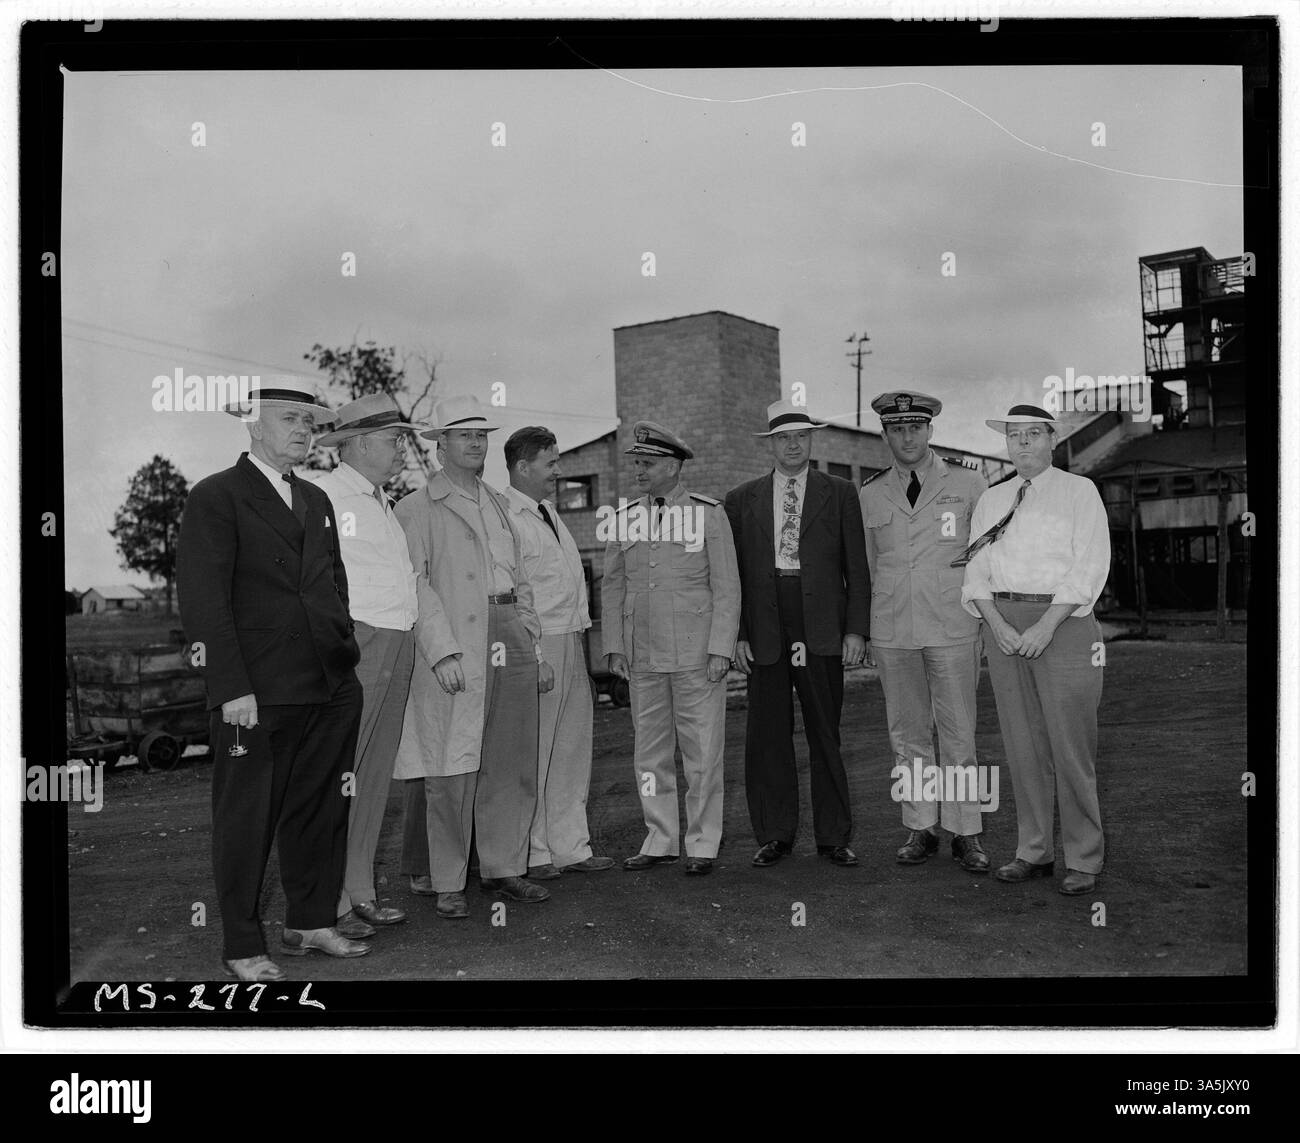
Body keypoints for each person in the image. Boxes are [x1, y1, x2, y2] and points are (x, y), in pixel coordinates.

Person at [176, 375, 366, 982]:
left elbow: (333, 584)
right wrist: (230, 688)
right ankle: (241, 943)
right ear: (253, 425)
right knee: (247, 817)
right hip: (254, 693)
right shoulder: (217, 495)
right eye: (290, 420)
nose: (304, 432)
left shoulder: (316, 499)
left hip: (329, 683)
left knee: (320, 808)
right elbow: (203, 603)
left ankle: (310, 921)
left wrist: (344, 653)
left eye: (309, 423)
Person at [392, 394, 553, 919]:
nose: (475, 443)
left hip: (508, 628)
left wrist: (531, 637)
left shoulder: (500, 503)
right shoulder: (415, 508)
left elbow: (521, 579)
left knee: (511, 757)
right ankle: (447, 879)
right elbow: (415, 585)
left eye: (481, 435)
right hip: (457, 638)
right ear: (439, 444)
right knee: (450, 761)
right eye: (463, 435)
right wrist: (442, 651)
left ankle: (504, 867)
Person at [958, 404, 1111, 895]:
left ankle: (1083, 857)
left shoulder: (1079, 491)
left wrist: (1046, 625)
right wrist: (996, 625)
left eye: (1032, 434)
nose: (1022, 443)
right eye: (1014, 435)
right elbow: (976, 571)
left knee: (1071, 745)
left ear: (1051, 438)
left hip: (1064, 623)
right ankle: (1033, 850)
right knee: (1022, 745)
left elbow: (1089, 565)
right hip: (1004, 624)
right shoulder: (992, 498)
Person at [724, 400, 869, 869]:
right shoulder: (741, 499)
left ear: (812, 441)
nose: (793, 445)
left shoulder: (841, 492)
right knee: (768, 733)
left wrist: (855, 631)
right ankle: (775, 834)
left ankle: (833, 837)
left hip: (822, 622)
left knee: (824, 730)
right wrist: (738, 634)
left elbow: (858, 571)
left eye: (801, 437)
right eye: (784, 438)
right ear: (770, 444)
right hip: (767, 622)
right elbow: (734, 577)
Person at [310, 394, 429, 939]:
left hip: (397, 641)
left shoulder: (380, 500)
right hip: (359, 643)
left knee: (374, 775)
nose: (401, 448)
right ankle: (326, 900)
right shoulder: (326, 496)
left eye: (402, 438)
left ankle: (360, 890)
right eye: (391, 439)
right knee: (341, 773)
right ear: (356, 443)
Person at [860, 392, 991, 872]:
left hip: (953, 626)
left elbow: (984, 557)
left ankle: (966, 832)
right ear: (885, 435)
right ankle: (921, 827)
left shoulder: (968, 483)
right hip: (893, 629)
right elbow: (871, 567)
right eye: (897, 429)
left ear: (930, 430)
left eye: (915, 427)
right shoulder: (871, 493)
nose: (907, 436)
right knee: (907, 734)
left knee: (958, 732)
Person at [602, 421, 740, 876]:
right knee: (650, 755)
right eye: (636, 462)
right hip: (643, 655)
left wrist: (722, 648)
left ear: (674, 465)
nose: (638, 470)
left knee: (703, 754)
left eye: (648, 462)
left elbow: (726, 587)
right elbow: (613, 586)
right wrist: (614, 647)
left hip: (696, 655)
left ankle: (702, 843)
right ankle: (659, 838)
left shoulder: (708, 515)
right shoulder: (625, 518)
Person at [502, 426, 615, 879]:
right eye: (550, 464)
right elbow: (515, 594)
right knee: (537, 749)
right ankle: (534, 850)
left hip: (570, 637)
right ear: (522, 467)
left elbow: (568, 586)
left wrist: (581, 652)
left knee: (570, 748)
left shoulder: (550, 511)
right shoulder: (507, 516)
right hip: (539, 642)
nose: (558, 472)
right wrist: (534, 654)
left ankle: (571, 845)